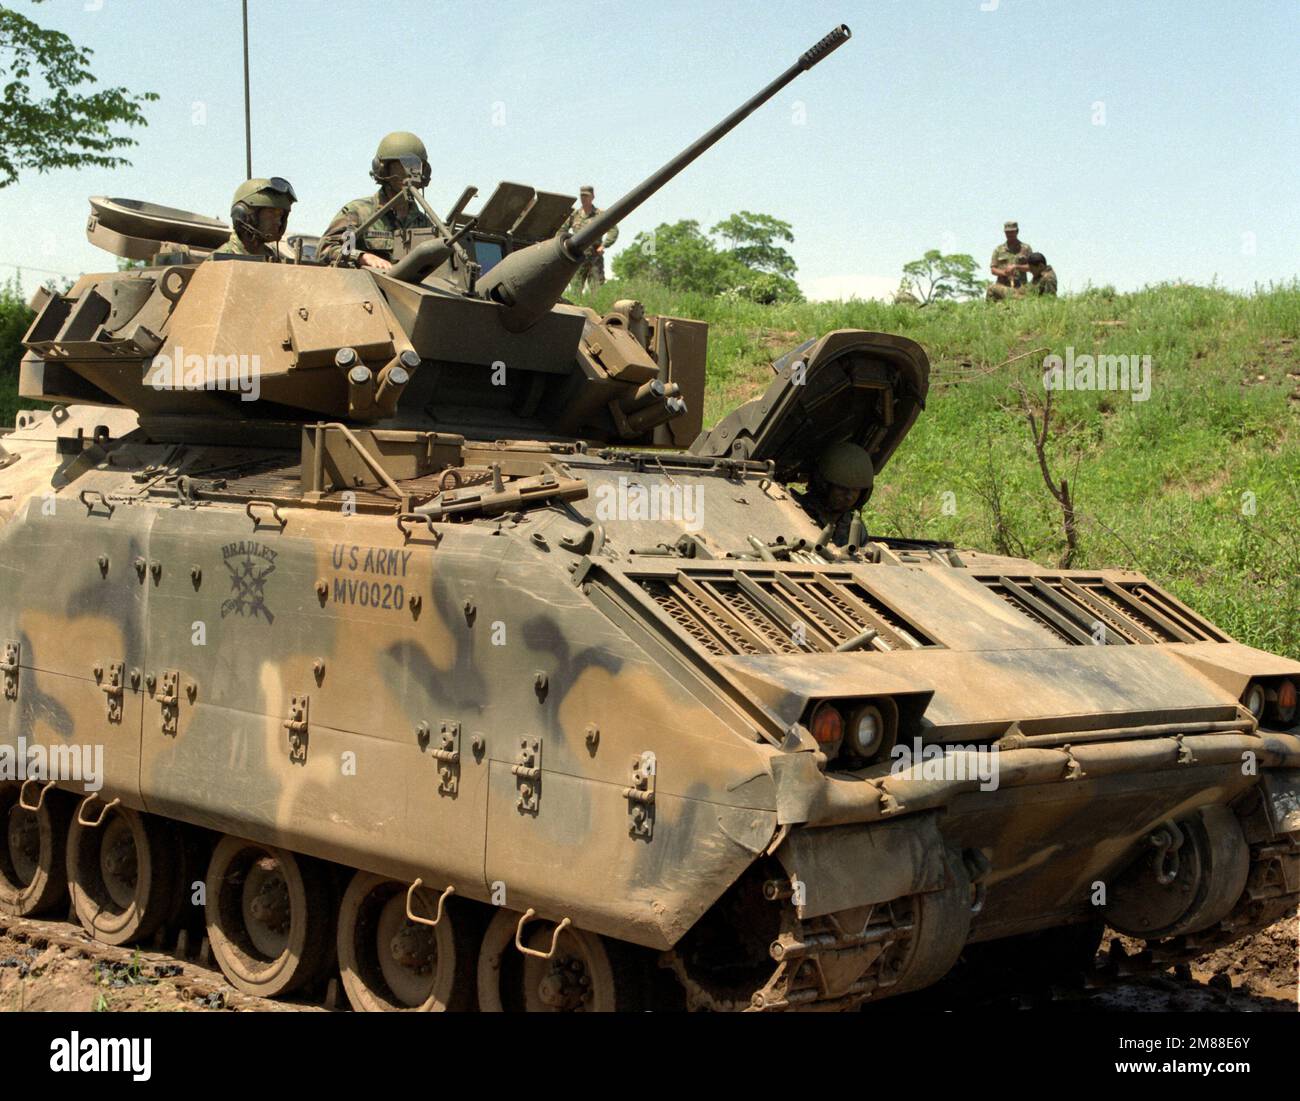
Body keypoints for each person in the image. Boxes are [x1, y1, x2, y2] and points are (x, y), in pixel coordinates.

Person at [317, 131, 435, 269]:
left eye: (415, 166)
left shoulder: (425, 224)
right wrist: (362, 257)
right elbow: (326, 249)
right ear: (384, 169)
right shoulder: (358, 212)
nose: (410, 172)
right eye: (402, 165)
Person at [793, 441, 875, 547]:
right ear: (823, 485)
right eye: (842, 489)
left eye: (855, 490)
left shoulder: (854, 529)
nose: (849, 496)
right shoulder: (795, 512)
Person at [211, 177, 297, 260]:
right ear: (243, 215)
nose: (278, 222)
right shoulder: (220, 261)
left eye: (280, 215)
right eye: (271, 213)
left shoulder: (274, 259)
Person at [561, 185, 619, 293]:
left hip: (595, 257)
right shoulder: (574, 215)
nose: (584, 198)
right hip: (577, 257)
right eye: (582, 196)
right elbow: (562, 230)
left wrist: (604, 245)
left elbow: (613, 230)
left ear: (592, 197)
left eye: (586, 196)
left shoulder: (600, 214)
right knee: (575, 289)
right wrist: (564, 245)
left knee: (596, 290)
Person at [986, 220, 1034, 301]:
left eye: (1012, 232)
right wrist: (1005, 273)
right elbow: (993, 269)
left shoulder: (1026, 248)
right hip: (1001, 287)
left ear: (1017, 231)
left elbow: (1032, 267)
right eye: (1007, 232)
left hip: (1020, 288)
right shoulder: (998, 249)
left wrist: (1016, 267)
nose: (1009, 234)